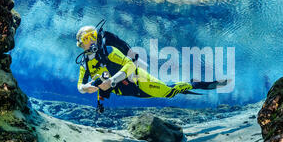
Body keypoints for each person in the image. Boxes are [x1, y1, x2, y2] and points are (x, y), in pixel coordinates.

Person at [76, 25, 228, 104]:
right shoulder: (85, 64)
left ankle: (194, 84)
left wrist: (111, 81)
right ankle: (185, 86)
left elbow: (130, 65)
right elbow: (80, 85)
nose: (91, 41)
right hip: (128, 90)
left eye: (93, 36)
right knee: (164, 92)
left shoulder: (108, 51)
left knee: (168, 92)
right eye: (86, 39)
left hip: (137, 80)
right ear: (80, 44)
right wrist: (85, 88)